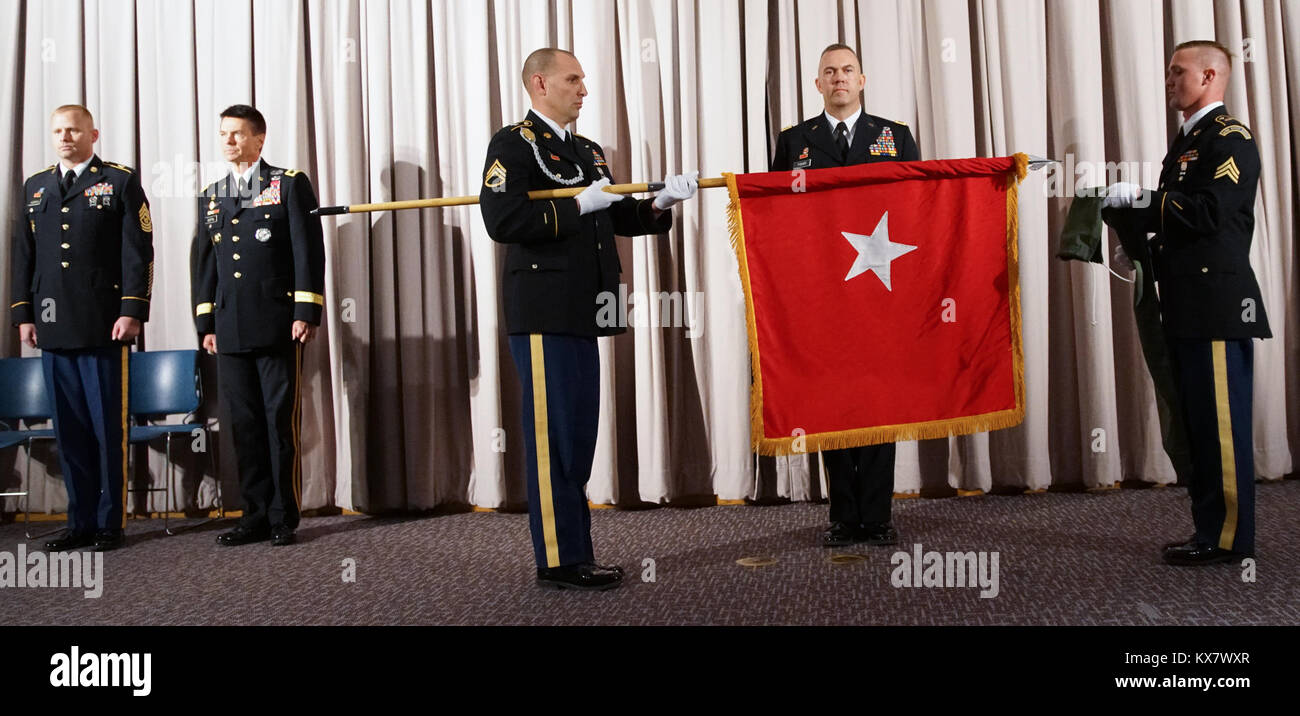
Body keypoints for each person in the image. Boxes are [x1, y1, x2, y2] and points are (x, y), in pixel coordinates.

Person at [479, 48, 697, 590]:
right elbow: (502, 217)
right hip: (543, 311)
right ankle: (559, 559)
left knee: (577, 437)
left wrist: (659, 202)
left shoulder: (589, 151)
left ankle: (574, 552)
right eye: (572, 79)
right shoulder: (513, 143)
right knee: (554, 439)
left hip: (586, 307)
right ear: (539, 83)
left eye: (584, 80)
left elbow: (618, 213)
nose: (583, 89)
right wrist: (577, 205)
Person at [1103, 40, 1269, 566]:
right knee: (1197, 423)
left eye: (1179, 72)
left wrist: (1145, 201)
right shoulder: (1189, 141)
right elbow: (1178, 225)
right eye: (1169, 72)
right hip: (1186, 302)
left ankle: (1228, 538)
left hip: (1217, 306)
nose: (1170, 80)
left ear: (1210, 76)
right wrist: (1134, 233)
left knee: (1220, 425)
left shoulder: (1229, 139)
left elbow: (1211, 213)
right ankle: (1209, 530)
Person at [770, 44, 919, 548]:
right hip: (822, 294)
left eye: (847, 70)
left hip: (882, 291)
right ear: (817, 85)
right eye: (829, 72)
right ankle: (842, 515)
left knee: (877, 401)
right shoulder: (794, 143)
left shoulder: (894, 137)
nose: (839, 78)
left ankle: (876, 516)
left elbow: (918, 209)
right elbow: (774, 220)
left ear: (862, 79)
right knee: (832, 401)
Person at [10, 104, 154, 552]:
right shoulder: (36, 186)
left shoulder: (119, 181)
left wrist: (132, 310)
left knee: (106, 428)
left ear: (94, 133)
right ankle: (81, 521)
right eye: (57, 130)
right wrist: (23, 315)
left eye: (73, 129)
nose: (65, 137)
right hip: (53, 327)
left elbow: (139, 252)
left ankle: (111, 522)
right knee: (69, 431)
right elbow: (23, 256)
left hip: (104, 325)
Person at [191, 104, 325, 547]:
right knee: (243, 424)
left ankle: (282, 516)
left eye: (237, 134)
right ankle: (252, 513)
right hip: (229, 327)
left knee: (277, 422)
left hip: (276, 322)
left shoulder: (287, 184)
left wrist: (305, 311)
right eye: (223, 134)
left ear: (259, 140)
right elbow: (205, 264)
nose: (228, 141)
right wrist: (205, 321)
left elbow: (308, 250)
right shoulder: (212, 194)